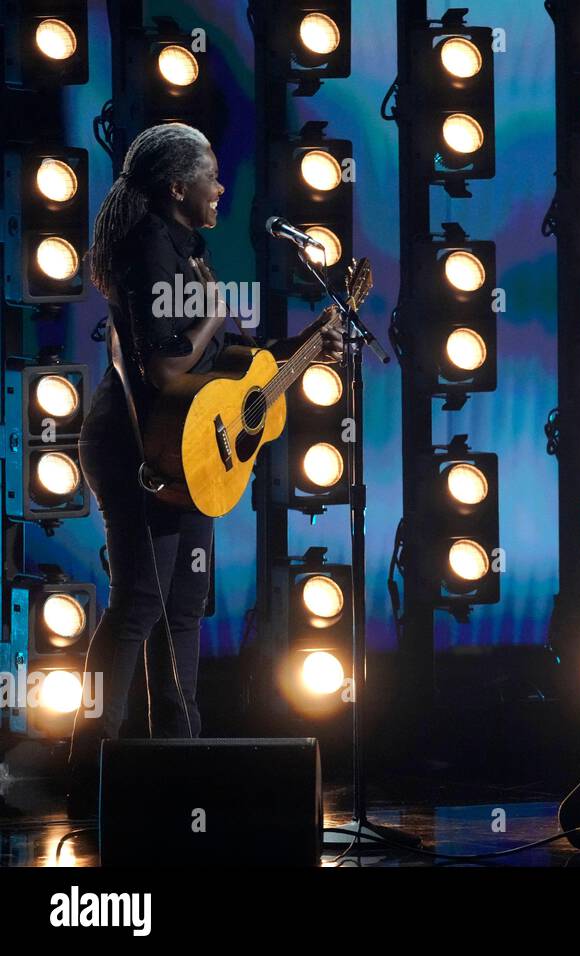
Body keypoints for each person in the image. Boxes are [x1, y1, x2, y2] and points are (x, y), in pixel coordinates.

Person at [68, 123, 344, 816]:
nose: (222, 188)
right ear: (177, 187)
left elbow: (225, 371)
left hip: (191, 445)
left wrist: (307, 347)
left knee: (182, 607)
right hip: (140, 446)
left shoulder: (189, 248)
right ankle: (86, 773)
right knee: (138, 603)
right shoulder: (147, 252)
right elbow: (163, 367)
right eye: (211, 177)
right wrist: (212, 313)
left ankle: (180, 766)